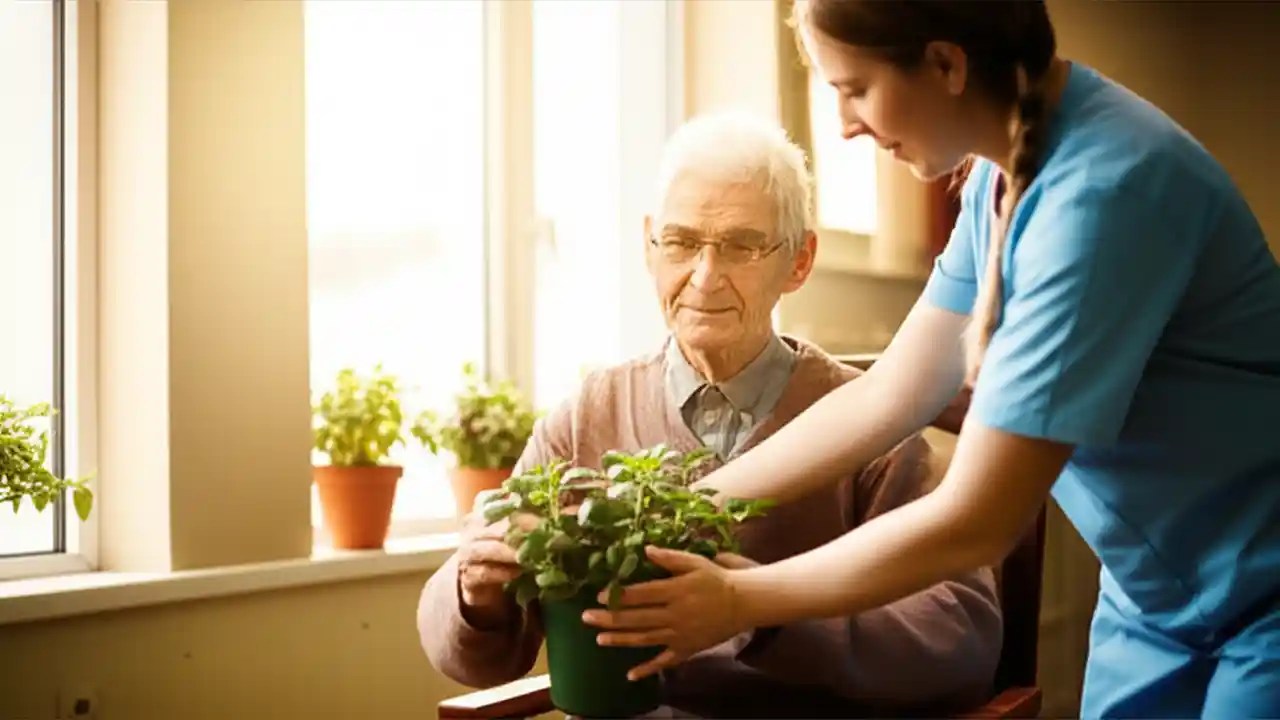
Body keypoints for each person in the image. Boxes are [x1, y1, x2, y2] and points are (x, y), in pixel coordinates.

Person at [583, 2, 1280, 718]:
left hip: (1264, 602)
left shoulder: (1102, 198)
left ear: (946, 64)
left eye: (854, 89)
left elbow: (977, 518)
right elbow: (889, 394)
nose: (846, 124)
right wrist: (695, 504)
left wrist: (740, 599)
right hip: (1154, 602)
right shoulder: (1000, 179)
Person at [417, 112, 1003, 717]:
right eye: (681, 241)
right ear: (650, 245)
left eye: (742, 246)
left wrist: (761, 613)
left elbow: (961, 641)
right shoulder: (589, 414)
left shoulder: (872, 430)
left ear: (799, 261)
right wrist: (472, 592)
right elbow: (468, 656)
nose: (704, 276)